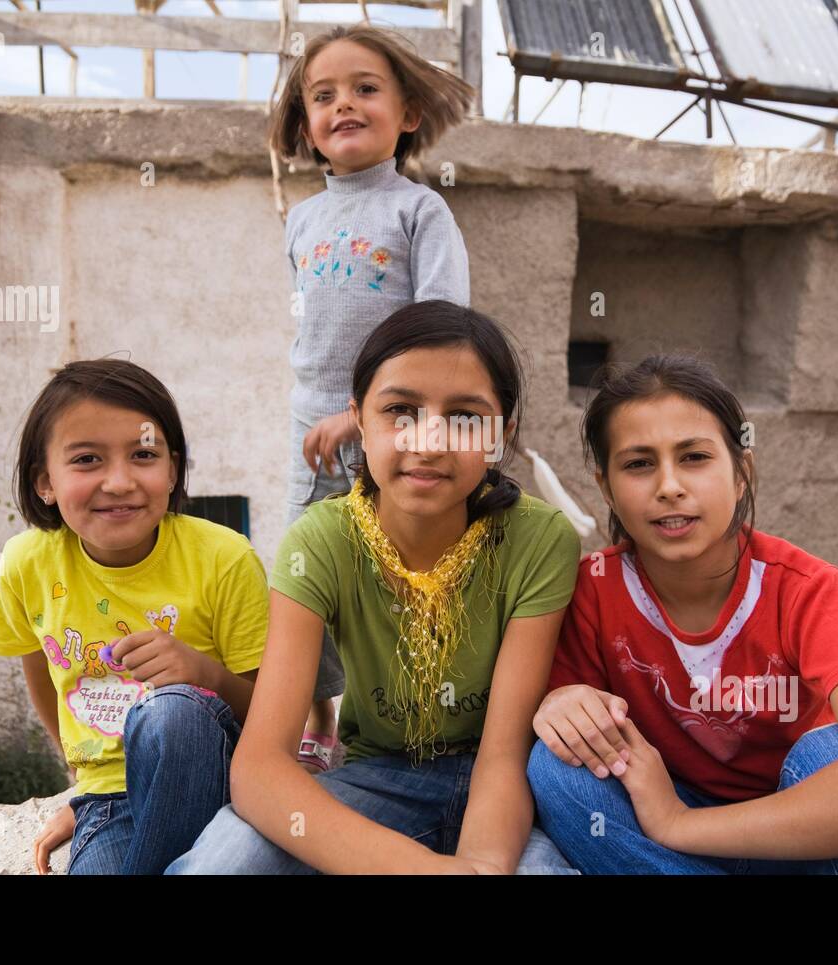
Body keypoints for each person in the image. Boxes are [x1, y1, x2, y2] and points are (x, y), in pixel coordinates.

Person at [168, 301, 580, 874]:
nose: (429, 442)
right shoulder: (321, 541)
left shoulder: (539, 539)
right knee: (226, 860)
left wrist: (481, 866)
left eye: (465, 417)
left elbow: (503, 754)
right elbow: (260, 768)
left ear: (502, 433)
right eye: (400, 410)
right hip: (375, 776)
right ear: (359, 419)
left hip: (505, 791)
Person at [527, 354, 838, 874]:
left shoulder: (809, 592)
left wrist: (677, 823)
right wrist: (563, 702)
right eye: (638, 463)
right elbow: (557, 728)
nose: (669, 485)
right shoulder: (591, 592)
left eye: (694, 457)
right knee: (558, 767)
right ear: (606, 487)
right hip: (672, 842)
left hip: (807, 830)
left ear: (741, 473)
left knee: (832, 754)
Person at [268, 23, 475, 772]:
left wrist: (366, 413)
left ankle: (390, 726)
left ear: (409, 113)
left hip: (391, 434)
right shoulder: (301, 219)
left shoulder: (418, 211)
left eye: (364, 89)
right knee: (303, 578)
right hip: (309, 431)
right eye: (322, 96)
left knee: (385, 581)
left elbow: (442, 330)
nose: (342, 105)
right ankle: (314, 723)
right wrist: (316, 411)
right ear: (305, 123)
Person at [0, 359, 268, 874]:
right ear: (45, 481)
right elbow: (39, 669)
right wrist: (81, 782)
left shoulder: (224, 558)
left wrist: (203, 675)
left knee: (171, 710)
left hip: (219, 794)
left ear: (173, 469)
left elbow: (270, 717)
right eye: (87, 459)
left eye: (142, 454)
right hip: (108, 807)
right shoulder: (26, 564)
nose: (118, 481)